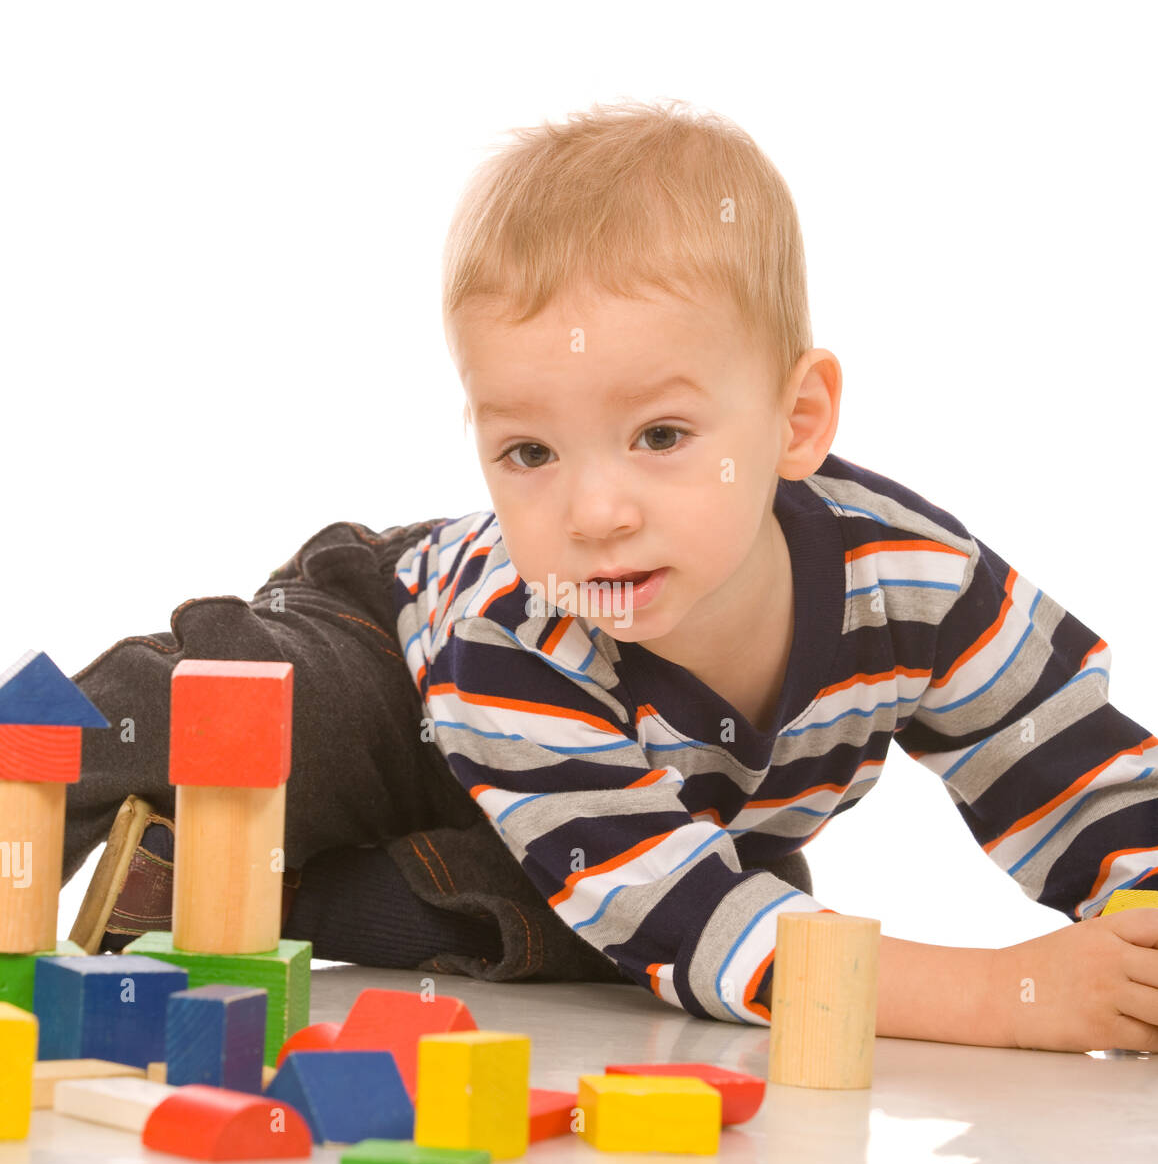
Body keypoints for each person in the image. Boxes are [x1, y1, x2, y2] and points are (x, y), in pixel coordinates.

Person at [64, 98, 1158, 1053]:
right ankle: (55, 775)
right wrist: (1013, 996)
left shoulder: (916, 585)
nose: (592, 515)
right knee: (284, 712)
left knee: (648, 936)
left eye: (662, 434)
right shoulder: (525, 621)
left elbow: (1081, 781)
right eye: (529, 454)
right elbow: (711, 924)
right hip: (399, 668)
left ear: (797, 418)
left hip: (585, 822)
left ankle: (233, 885)